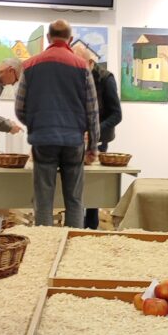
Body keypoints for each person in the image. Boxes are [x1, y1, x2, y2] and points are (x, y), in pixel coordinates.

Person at [14, 19, 100, 227]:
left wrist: (36, 125)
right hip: (73, 141)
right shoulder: (81, 66)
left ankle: (46, 248)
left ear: (47, 38)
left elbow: (20, 108)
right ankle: (73, 246)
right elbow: (92, 110)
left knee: (43, 202)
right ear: (70, 39)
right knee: (75, 200)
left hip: (43, 140)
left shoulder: (31, 65)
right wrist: (93, 146)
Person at [73, 45, 121, 231]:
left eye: (79, 63)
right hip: (77, 140)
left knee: (92, 188)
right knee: (77, 184)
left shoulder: (106, 79)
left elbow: (117, 115)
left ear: (91, 62)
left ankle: (91, 226)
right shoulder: (77, 77)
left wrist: (94, 131)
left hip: (99, 141)